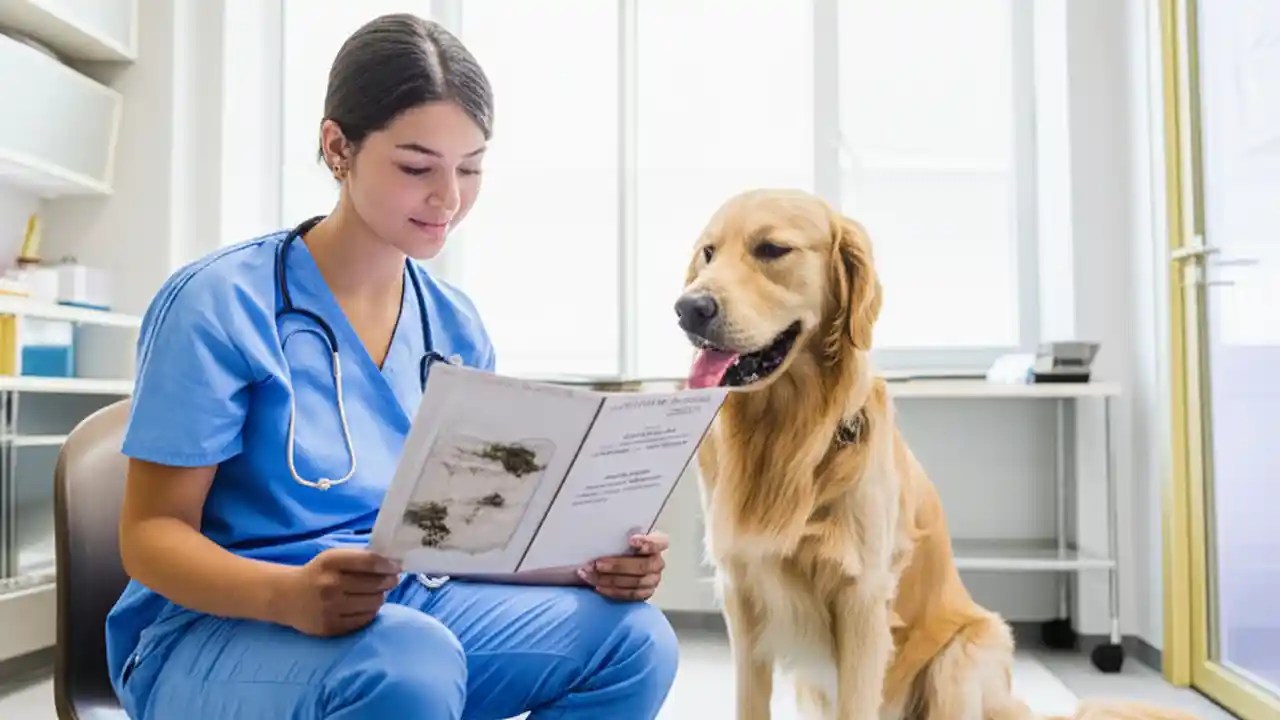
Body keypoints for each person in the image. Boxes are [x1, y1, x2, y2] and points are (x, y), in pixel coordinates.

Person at [107, 14, 678, 720]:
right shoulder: (218, 303)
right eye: (416, 167)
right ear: (337, 147)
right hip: (217, 628)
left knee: (633, 640)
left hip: (401, 610)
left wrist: (587, 565)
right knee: (409, 662)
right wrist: (286, 596)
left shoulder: (455, 325)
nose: (449, 198)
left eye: (470, 167)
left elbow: (464, 534)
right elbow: (150, 537)